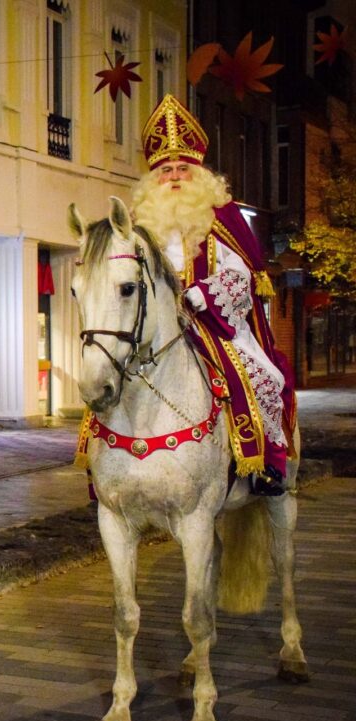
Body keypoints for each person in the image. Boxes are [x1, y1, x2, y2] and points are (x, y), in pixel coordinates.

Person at [130, 94, 295, 495]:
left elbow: (244, 276)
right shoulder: (141, 224)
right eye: (165, 170)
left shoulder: (220, 219)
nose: (173, 177)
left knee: (261, 378)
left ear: (199, 174)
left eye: (182, 169)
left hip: (213, 324)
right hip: (155, 325)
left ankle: (264, 464)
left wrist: (204, 294)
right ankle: (109, 468)